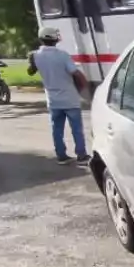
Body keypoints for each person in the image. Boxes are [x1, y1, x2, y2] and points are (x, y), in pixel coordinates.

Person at [27, 26, 90, 166]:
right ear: (54, 38)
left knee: (57, 129)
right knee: (77, 130)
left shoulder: (36, 56)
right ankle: (81, 155)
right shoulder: (62, 55)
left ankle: (61, 156)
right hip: (69, 98)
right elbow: (76, 73)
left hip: (52, 99)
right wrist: (86, 89)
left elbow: (30, 71)